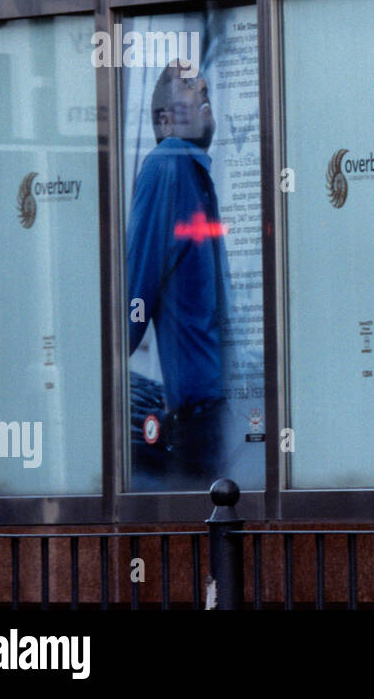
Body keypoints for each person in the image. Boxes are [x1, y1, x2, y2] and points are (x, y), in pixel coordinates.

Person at [127, 60, 230, 491]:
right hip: (200, 416)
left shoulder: (193, 171)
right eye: (188, 84)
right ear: (166, 120)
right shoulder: (166, 164)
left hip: (215, 412)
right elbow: (136, 292)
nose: (204, 84)